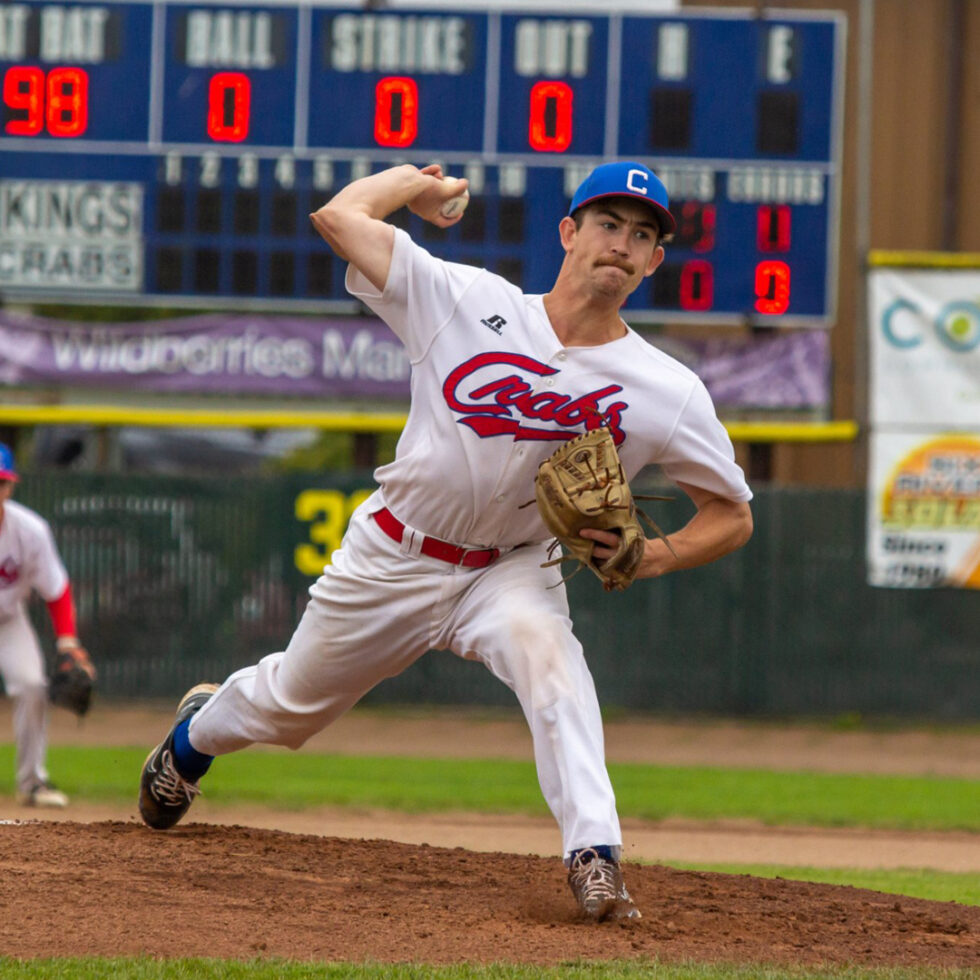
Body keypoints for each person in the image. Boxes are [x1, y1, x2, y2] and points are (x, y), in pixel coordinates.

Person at [138, 161, 753, 922]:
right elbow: (339, 218)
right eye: (607, 224)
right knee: (288, 708)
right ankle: (189, 744)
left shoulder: (667, 390)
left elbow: (732, 513)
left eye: (642, 235)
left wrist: (655, 556)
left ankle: (595, 856)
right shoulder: (465, 300)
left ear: (655, 261)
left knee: (552, 664)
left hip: (514, 570)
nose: (621, 244)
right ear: (569, 233)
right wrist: (413, 184)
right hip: (396, 554)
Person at [0, 442, 94, 807]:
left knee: (32, 686)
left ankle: (32, 783)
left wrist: (68, 642)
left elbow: (56, 589)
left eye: (1, 483)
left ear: (11, 485)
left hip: (8, 620)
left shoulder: (30, 530)